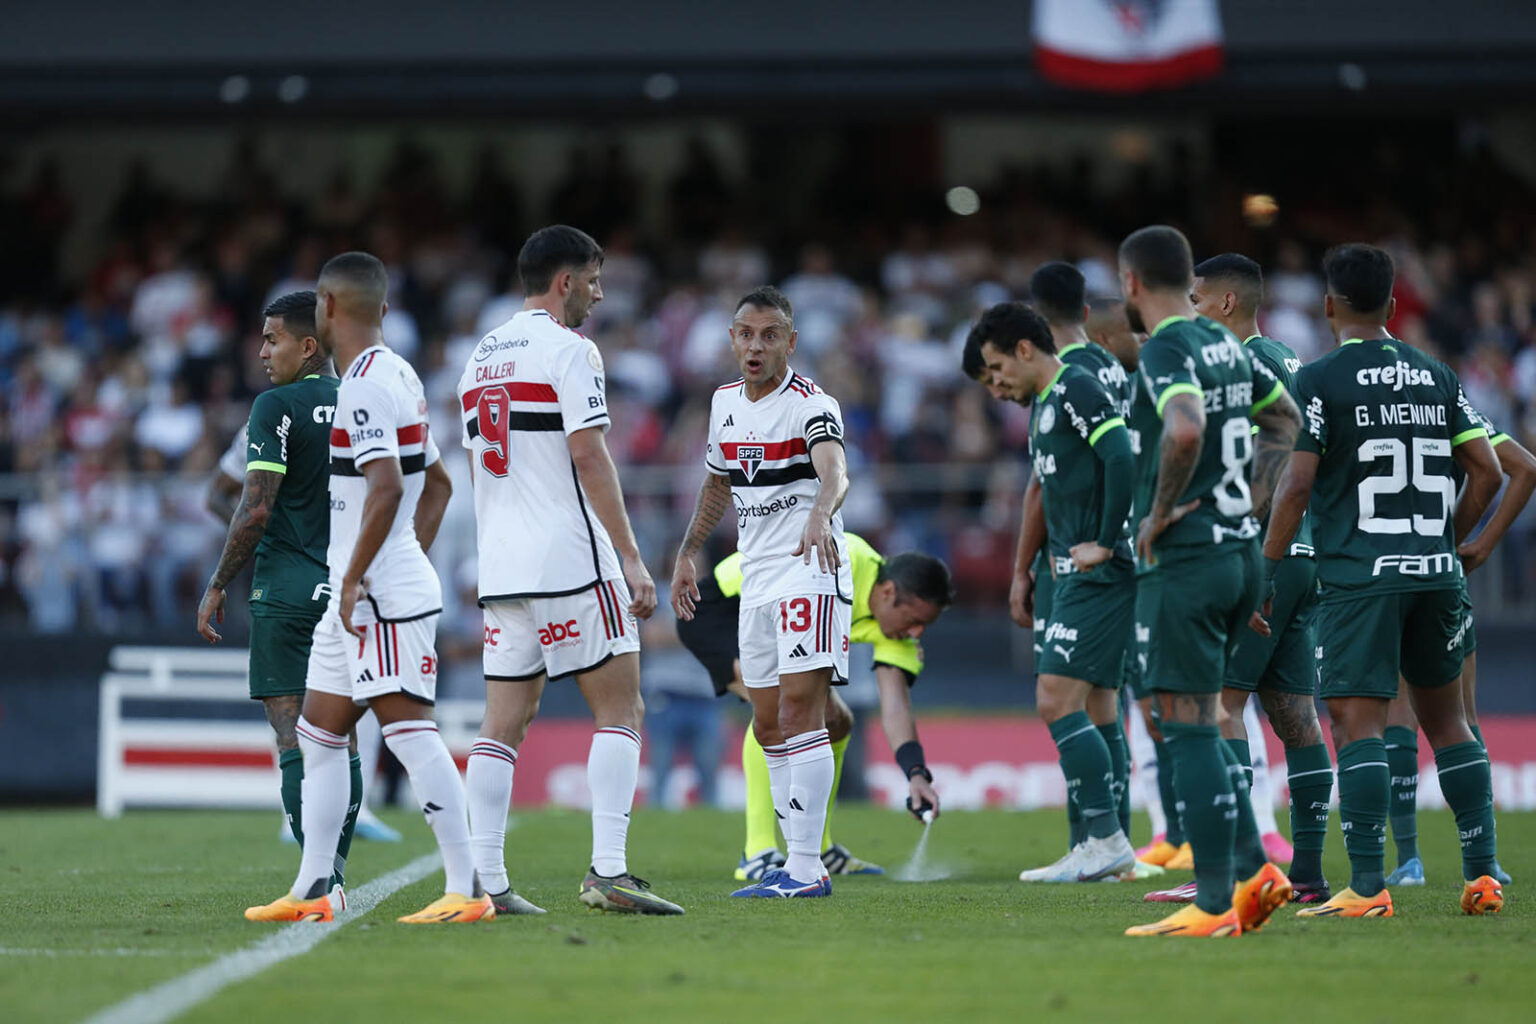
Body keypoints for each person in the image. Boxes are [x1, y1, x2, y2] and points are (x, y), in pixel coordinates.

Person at [1262, 243, 1504, 919]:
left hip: (1361, 578)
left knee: (1356, 724)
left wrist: (1267, 570)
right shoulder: (1437, 374)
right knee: (1450, 722)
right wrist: (1447, 542)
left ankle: (1368, 887)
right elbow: (1489, 471)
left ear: (1328, 306)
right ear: (1394, 306)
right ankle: (1482, 876)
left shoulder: (1319, 378)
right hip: (1436, 574)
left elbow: (1297, 484)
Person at [245, 252, 479, 924]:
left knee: (410, 733)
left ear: (327, 307)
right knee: (319, 736)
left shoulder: (367, 386)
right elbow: (437, 484)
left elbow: (386, 487)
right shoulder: (395, 372)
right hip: (367, 586)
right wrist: (399, 557)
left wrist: (361, 575)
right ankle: (315, 888)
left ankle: (467, 888)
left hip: (371, 591)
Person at [458, 225, 683, 917]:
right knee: (621, 708)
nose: (599, 293)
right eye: (593, 279)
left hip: (502, 568)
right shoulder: (570, 350)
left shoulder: (479, 357)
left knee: (503, 722)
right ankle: (609, 872)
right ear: (565, 282)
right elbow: (588, 455)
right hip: (570, 560)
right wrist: (631, 556)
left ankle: (484, 880)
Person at [1117, 225, 1301, 938]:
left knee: (1183, 722)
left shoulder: (1168, 346)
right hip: (1239, 552)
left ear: (1132, 282)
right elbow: (1284, 420)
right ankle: (1256, 869)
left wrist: (1162, 511)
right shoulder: (1227, 345)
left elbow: (1186, 428)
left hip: (1188, 560)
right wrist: (1247, 502)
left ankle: (1216, 902)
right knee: (1212, 717)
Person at [672, 285, 853, 899]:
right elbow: (717, 485)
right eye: (746, 334)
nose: (756, 346)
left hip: (808, 567)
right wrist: (688, 552)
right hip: (755, 576)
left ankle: (805, 867)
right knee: (768, 721)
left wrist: (820, 514)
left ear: (790, 342)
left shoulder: (812, 404)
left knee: (802, 711)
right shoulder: (723, 403)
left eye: (770, 335)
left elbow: (835, 471)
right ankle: (793, 862)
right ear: (732, 340)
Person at [196, 293, 371, 891]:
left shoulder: (274, 406)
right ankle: (333, 876)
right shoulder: (363, 398)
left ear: (308, 345)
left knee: (294, 738)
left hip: (288, 590)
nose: (263, 352)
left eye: (273, 339)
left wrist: (218, 582)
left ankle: (318, 882)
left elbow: (254, 508)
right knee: (341, 737)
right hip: (348, 587)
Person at [674, 532, 951, 880]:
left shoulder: (896, 632)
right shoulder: (839, 561)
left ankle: (819, 847)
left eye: (925, 625)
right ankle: (757, 852)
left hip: (782, 618)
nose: (917, 632)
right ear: (887, 593)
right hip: (721, 608)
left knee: (837, 721)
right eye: (913, 620)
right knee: (777, 712)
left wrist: (916, 774)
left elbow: (895, 705)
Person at [976, 301, 1140, 882]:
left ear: (1025, 350)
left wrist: (1106, 541)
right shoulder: (1049, 401)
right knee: (1097, 707)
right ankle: (1104, 846)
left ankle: (1106, 839)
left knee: (1054, 699)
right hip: (1074, 574)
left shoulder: (1076, 387)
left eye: (999, 367)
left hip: (1097, 574)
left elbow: (1121, 455)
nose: (999, 382)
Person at [1189, 253, 1334, 903]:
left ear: (1226, 303)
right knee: (1295, 717)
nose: (1191, 311)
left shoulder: (1248, 363)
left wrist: (1256, 563)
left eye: (1196, 300)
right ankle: (1307, 872)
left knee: (1216, 707)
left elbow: (1282, 465)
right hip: (1304, 555)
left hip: (1264, 557)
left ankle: (1234, 872)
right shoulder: (1286, 357)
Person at [207, 421, 401, 848]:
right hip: (302, 574)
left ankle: (355, 807)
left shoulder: (332, 412)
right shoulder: (270, 422)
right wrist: (264, 538)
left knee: (352, 683)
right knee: (294, 691)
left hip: (343, 567)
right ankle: (297, 814)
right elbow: (218, 494)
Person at [1383, 406, 1534, 887]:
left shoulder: (1355, 395)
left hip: (1382, 571)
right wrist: (1478, 543)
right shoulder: (1444, 399)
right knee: (1463, 717)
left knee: (1398, 714)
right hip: (1443, 573)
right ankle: (1485, 859)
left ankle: (1408, 860)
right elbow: (1524, 467)